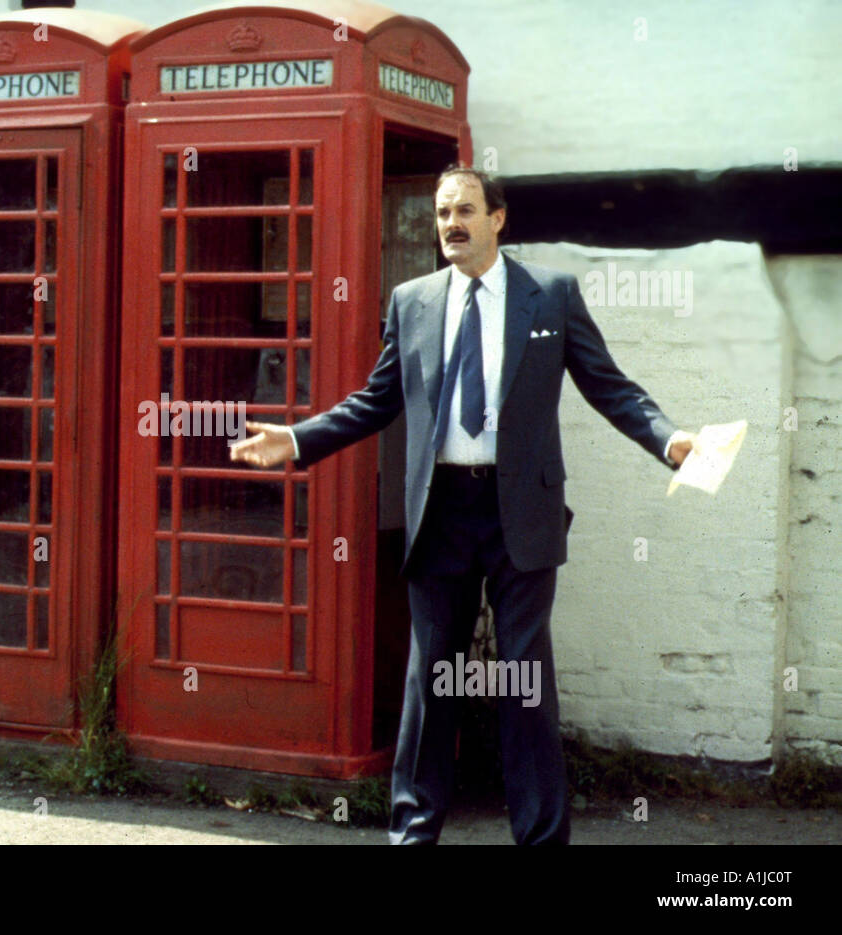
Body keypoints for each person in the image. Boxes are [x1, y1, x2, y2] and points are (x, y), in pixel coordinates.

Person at [229, 166, 696, 845]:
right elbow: (376, 399)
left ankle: (540, 836)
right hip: (441, 510)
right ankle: (413, 832)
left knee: (524, 681)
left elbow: (609, 385)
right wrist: (299, 438)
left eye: (466, 210)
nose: (452, 223)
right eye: (443, 212)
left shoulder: (550, 296)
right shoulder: (413, 300)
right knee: (429, 680)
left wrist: (666, 436)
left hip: (521, 515)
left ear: (497, 218)